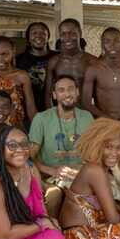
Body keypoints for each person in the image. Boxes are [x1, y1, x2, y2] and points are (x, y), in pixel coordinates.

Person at [29, 75, 94, 217]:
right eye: (61, 90)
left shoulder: (87, 117)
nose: (67, 94)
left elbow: (94, 151)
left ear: (77, 92)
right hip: (50, 176)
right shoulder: (41, 119)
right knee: (54, 194)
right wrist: (51, 170)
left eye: (71, 89)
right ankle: (52, 230)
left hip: (79, 175)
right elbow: (28, 157)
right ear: (54, 95)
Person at [83, 27, 120, 128]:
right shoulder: (93, 69)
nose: (112, 45)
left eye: (116, 41)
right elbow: (86, 103)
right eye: (107, 41)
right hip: (102, 124)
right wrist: (110, 120)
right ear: (102, 44)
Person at [0, 36, 37, 128]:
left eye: (5, 54)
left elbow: (30, 108)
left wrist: (37, 130)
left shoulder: (22, 76)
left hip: (16, 127)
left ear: (13, 53)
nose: (1, 59)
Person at [45, 18, 97, 108]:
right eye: (63, 34)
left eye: (72, 33)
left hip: (86, 113)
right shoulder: (54, 62)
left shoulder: (92, 61)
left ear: (80, 33)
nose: (67, 37)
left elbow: (100, 93)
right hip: (62, 115)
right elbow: (47, 94)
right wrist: (51, 116)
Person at [16, 22, 56, 112]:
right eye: (34, 33)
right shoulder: (18, 60)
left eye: (43, 33)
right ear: (28, 38)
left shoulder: (58, 57)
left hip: (56, 111)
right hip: (27, 114)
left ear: (48, 36)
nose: (39, 36)